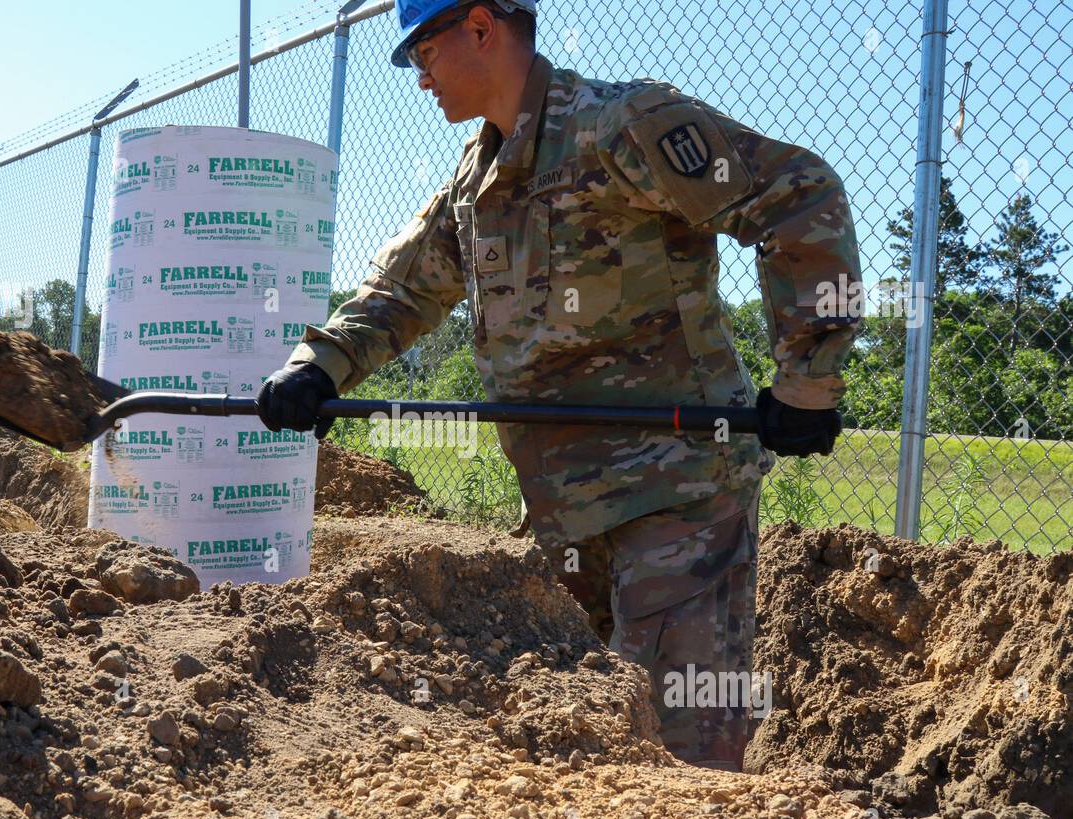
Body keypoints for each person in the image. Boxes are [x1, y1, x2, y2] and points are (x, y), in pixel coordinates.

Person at [258, 0, 861, 770]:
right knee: (593, 752)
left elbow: (797, 192)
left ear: (480, 27)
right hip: (564, 513)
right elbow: (404, 290)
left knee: (684, 759)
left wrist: (809, 377)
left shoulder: (622, 125)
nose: (419, 78)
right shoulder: (478, 179)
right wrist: (320, 365)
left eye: (423, 52)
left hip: (677, 495)